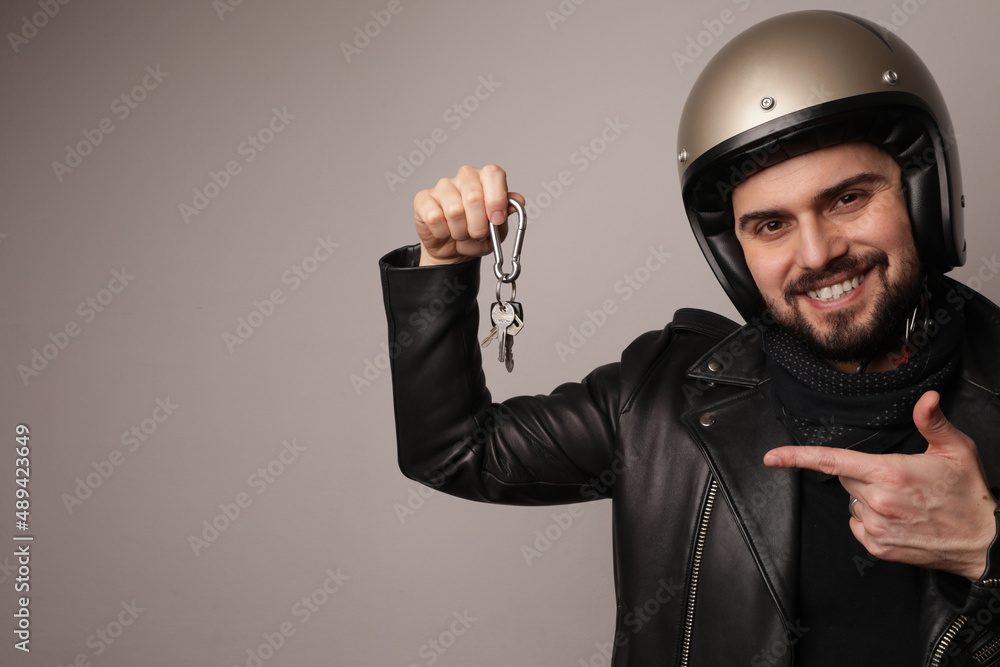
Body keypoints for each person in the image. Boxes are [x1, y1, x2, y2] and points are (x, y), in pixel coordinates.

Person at [379, 10, 1000, 665]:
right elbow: (452, 450)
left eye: (847, 199)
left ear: (923, 197)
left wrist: (988, 547)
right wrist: (445, 264)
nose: (817, 254)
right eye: (770, 226)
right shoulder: (656, 398)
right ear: (735, 255)